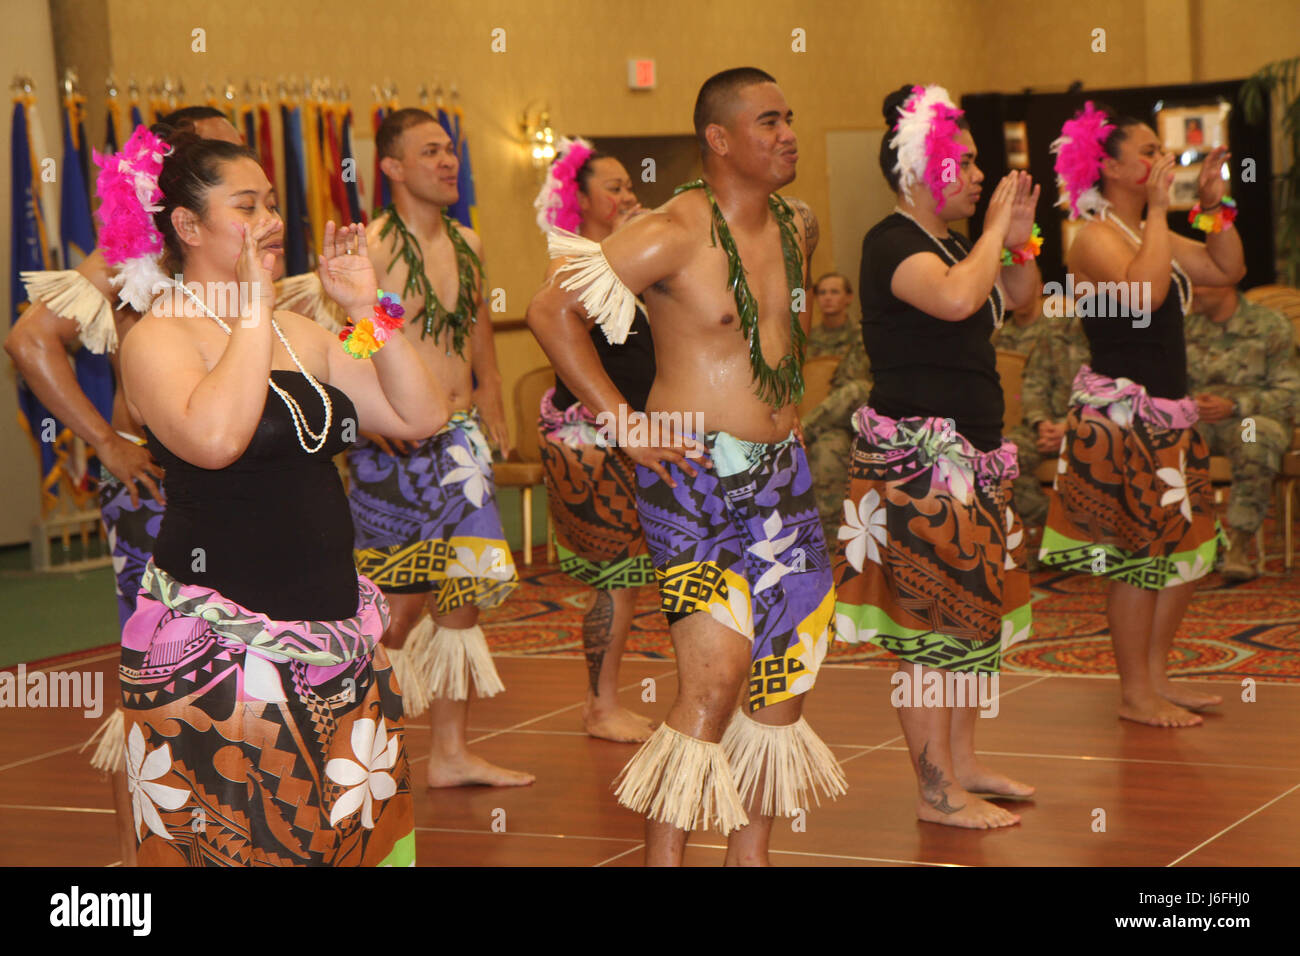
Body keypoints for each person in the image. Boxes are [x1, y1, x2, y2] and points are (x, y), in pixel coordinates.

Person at [527, 67, 845, 866]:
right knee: (715, 678)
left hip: (782, 473)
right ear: (719, 139)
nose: (787, 133)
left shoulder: (796, 226)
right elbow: (550, 310)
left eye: (790, 117)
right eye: (767, 121)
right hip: (693, 475)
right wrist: (623, 421)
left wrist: (786, 414)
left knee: (788, 671)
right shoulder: (670, 231)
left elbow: (773, 335)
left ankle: (751, 857)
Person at [114, 125, 445, 864]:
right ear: (189, 227)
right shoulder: (157, 339)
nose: (271, 221)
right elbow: (216, 439)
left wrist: (370, 307)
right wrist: (252, 309)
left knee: (351, 843)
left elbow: (421, 414)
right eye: (246, 206)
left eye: (271, 203)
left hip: (334, 635)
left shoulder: (308, 334)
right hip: (222, 648)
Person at [6, 107, 244, 865]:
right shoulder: (128, 254)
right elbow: (29, 338)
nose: (230, 150)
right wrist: (107, 443)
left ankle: (228, 835)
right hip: (158, 490)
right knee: (154, 680)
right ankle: (136, 860)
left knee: (238, 670)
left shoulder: (233, 244)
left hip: (239, 483)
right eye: (214, 140)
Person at [282, 108, 530, 787]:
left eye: (450, 150)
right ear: (390, 167)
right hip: (392, 442)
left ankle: (449, 752)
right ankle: (344, 739)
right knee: (394, 604)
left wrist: (492, 388)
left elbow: (475, 324)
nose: (448, 162)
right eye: (430, 152)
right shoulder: (377, 251)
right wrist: (368, 420)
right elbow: (358, 338)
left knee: (464, 589)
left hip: (460, 439)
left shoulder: (468, 240)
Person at [834, 84, 1041, 829]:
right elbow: (956, 301)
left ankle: (963, 763)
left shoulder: (960, 243)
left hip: (975, 454)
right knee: (928, 630)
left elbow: (1023, 296)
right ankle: (934, 791)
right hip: (918, 464)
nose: (983, 174)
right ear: (926, 172)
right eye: (969, 163)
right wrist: (990, 232)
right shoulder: (889, 242)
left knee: (971, 622)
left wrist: (1012, 236)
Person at [1039, 102, 1246, 727]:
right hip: (1120, 418)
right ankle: (1134, 693)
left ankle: (1157, 678)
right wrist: (1160, 211)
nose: (1162, 160)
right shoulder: (1091, 238)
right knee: (1135, 560)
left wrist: (1213, 203)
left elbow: (1226, 268)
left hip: (1169, 416)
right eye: (1149, 151)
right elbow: (1146, 292)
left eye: (1163, 151)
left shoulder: (1142, 232)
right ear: (1108, 165)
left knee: (1182, 552)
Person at [532, 138, 657, 742]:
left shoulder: (639, 257)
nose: (628, 195)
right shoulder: (572, 262)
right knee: (617, 580)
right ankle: (599, 704)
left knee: (636, 579)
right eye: (614, 187)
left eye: (631, 185)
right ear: (577, 199)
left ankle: (606, 700)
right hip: (591, 437)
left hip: (643, 432)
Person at [1185, 284, 1300, 579]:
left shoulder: (1270, 325)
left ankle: (1238, 544)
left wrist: (1236, 405)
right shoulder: (1185, 326)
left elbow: (1290, 391)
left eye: (1199, 286)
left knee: (1252, 439)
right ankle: (1194, 540)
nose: (1192, 293)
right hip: (1197, 418)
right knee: (1164, 440)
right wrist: (1188, 404)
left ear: (1224, 286)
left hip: (1252, 417)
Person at [1005, 312, 1090, 547]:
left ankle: (1069, 536)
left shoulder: (1124, 327)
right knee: (1003, 456)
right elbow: (1034, 383)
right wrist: (1042, 423)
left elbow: (1120, 391)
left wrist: (1071, 427)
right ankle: (1050, 527)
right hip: (1045, 427)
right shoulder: (1057, 328)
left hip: (1095, 429)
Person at [803, 337, 872, 546]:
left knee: (855, 390)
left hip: (880, 411)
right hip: (845, 420)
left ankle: (801, 432)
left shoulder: (857, 333)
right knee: (829, 445)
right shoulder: (862, 338)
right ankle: (829, 535)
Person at [806, 272, 859, 357]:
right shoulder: (808, 338)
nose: (827, 297)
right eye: (822, 292)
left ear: (849, 297)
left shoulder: (860, 336)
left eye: (834, 292)